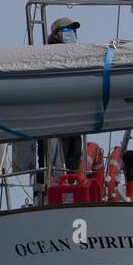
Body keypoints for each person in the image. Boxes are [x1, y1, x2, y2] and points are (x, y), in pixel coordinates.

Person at [39, 17, 83, 178]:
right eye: (66, 30)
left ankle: (72, 181)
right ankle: (46, 188)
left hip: (74, 115)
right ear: (56, 34)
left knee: (75, 152)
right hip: (54, 117)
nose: (71, 33)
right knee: (53, 156)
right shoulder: (46, 55)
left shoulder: (77, 56)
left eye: (73, 30)